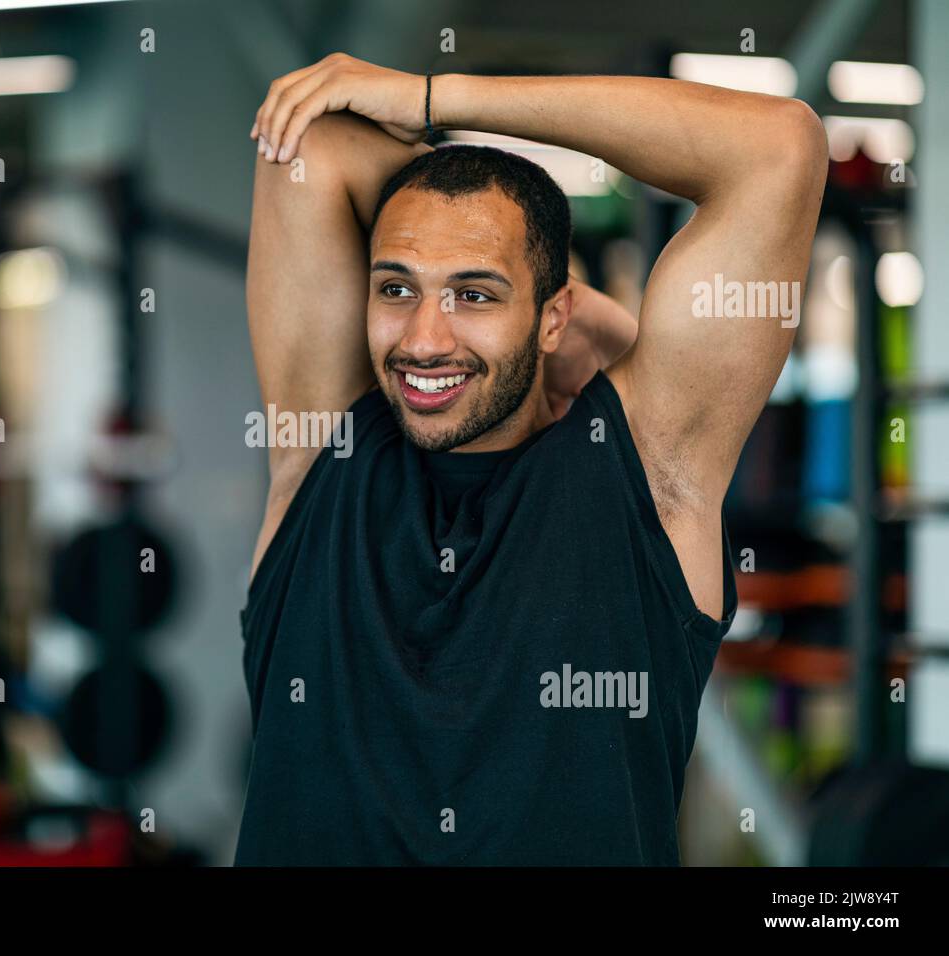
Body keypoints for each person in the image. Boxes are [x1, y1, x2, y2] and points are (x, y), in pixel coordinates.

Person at [237, 54, 828, 865]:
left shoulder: (645, 481)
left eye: (476, 294)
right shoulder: (320, 458)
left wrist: (433, 98)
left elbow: (779, 147)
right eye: (397, 288)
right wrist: (530, 273)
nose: (424, 340)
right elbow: (312, 143)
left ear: (554, 318)